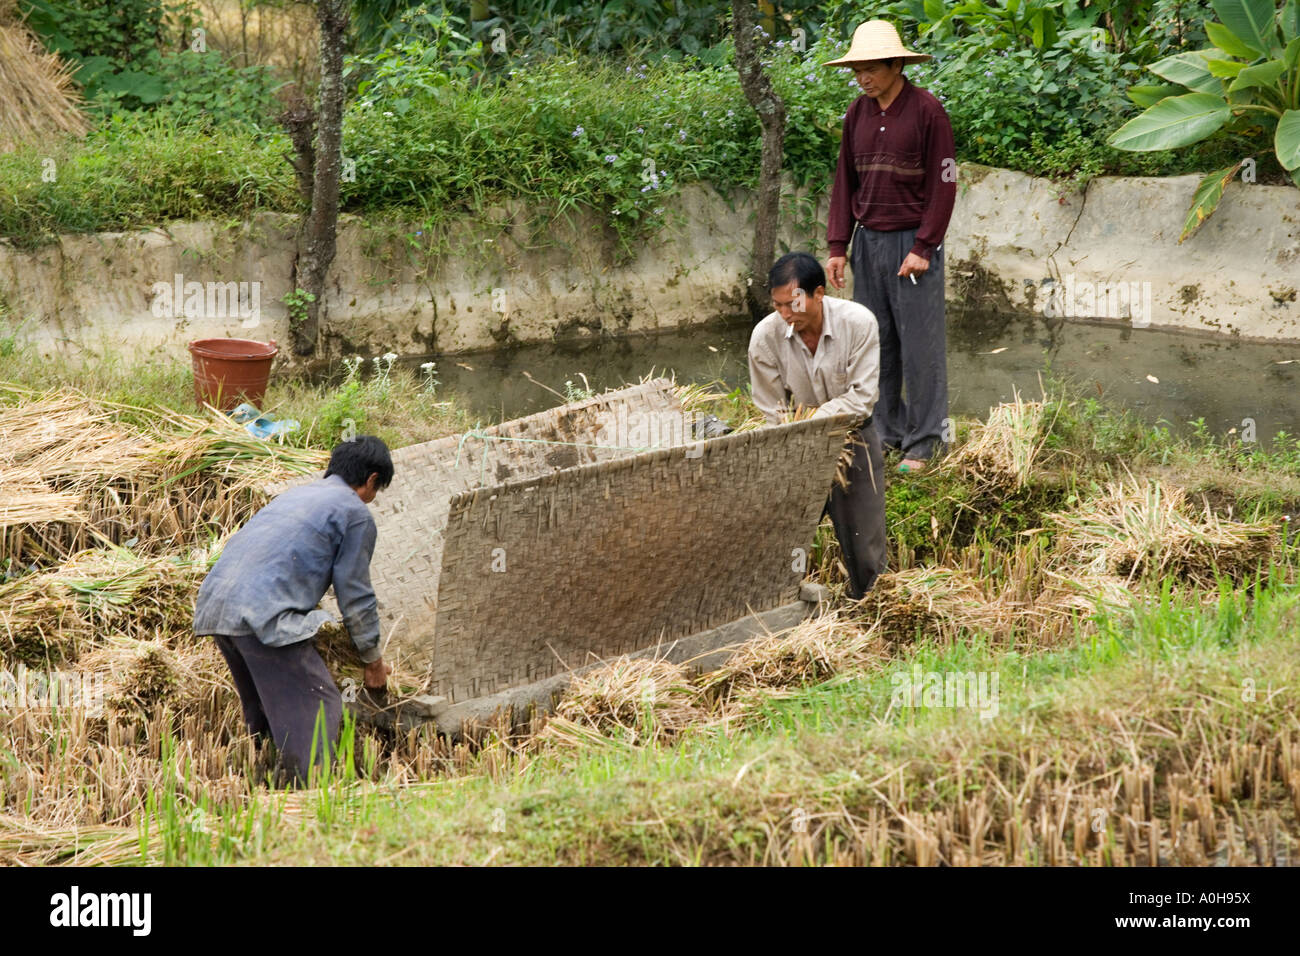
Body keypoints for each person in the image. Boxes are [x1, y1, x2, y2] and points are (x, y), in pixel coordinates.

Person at [193, 435, 395, 784]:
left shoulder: (296, 495)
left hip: (217, 607)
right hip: (262, 616)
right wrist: (373, 661)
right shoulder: (354, 514)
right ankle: (306, 799)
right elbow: (355, 594)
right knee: (319, 706)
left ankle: (258, 781)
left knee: (266, 709)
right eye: (377, 490)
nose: (372, 499)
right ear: (372, 480)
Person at [823, 20, 957, 474]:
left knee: (920, 345)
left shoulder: (927, 111)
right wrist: (838, 244)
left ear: (897, 64)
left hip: (912, 245)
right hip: (868, 243)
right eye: (857, 70)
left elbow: (945, 183)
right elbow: (845, 180)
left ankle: (926, 442)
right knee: (874, 344)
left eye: (871, 69)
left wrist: (925, 244)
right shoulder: (856, 115)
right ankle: (885, 433)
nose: (862, 77)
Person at [749, 251, 887, 599]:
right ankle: (781, 613)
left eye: (792, 303)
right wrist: (795, 437)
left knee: (864, 541)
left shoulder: (858, 323)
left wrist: (810, 419)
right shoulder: (765, 337)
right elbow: (772, 409)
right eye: (777, 305)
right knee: (783, 538)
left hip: (854, 436)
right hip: (797, 443)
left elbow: (861, 398)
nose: (784, 314)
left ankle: (869, 609)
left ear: (819, 294)